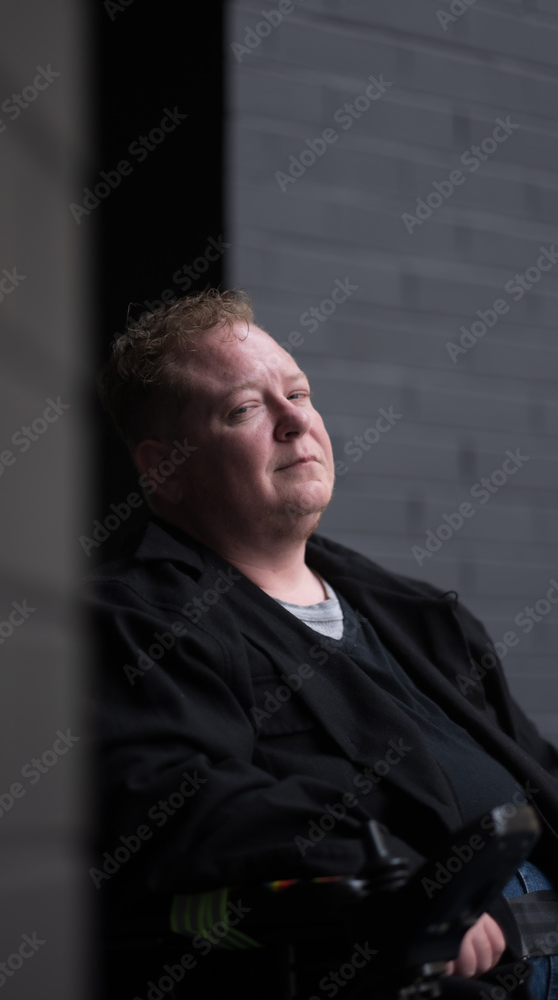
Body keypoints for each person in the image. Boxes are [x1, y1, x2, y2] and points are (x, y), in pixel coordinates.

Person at [90, 288, 558, 999]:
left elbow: (537, 775)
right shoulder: (134, 621)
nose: (293, 420)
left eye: (299, 393)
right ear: (165, 467)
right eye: (245, 409)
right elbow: (185, 805)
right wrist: (412, 888)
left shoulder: (422, 617)